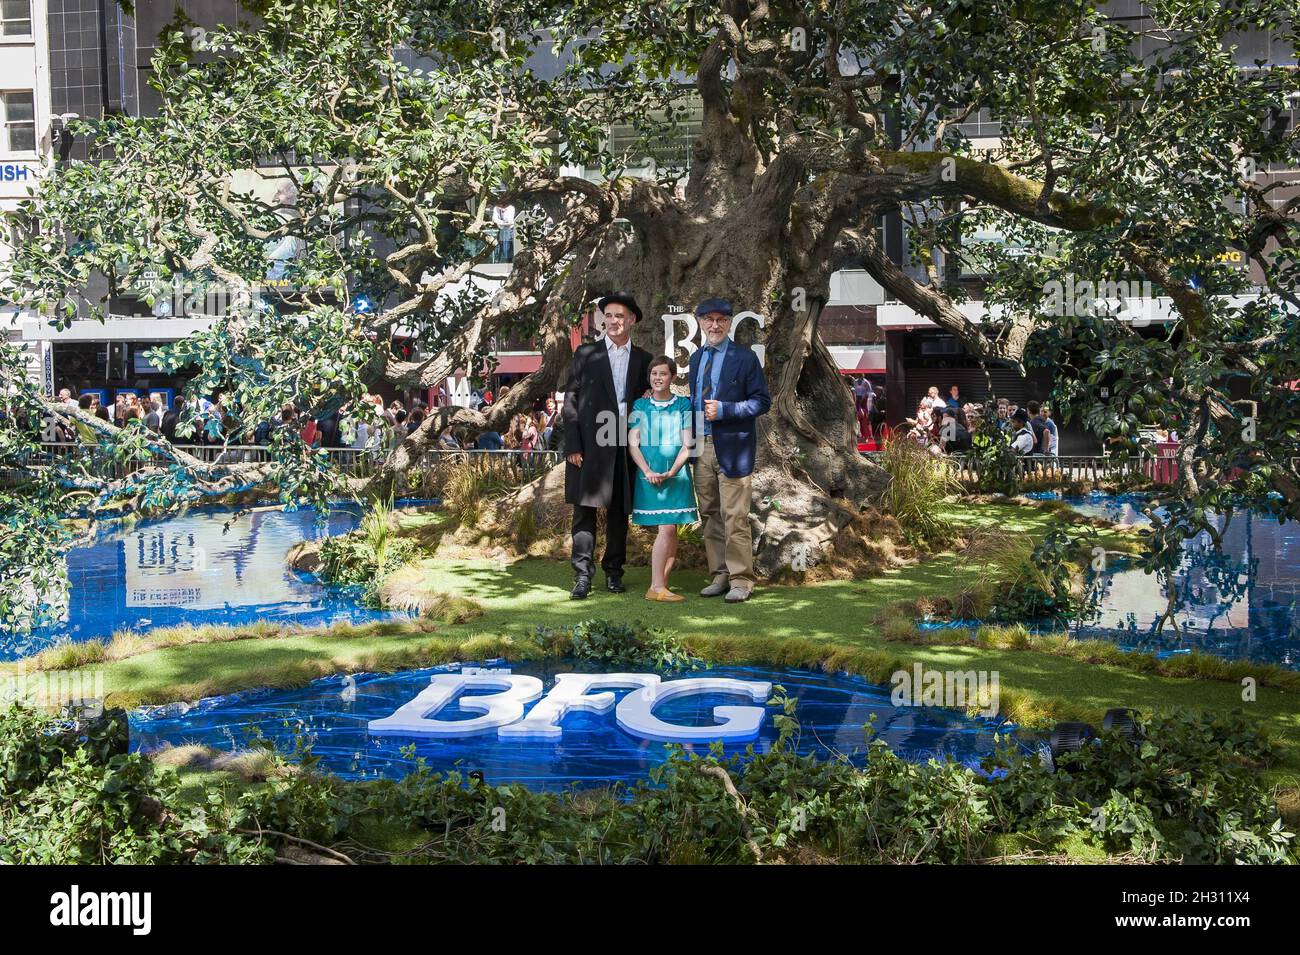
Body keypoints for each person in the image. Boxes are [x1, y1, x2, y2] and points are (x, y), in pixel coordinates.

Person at [563, 292, 652, 600]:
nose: (613, 321)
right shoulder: (585, 354)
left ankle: (614, 572)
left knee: (618, 513)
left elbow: (649, 403)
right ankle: (582, 575)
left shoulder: (644, 359)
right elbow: (570, 400)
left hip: (624, 444)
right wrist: (573, 445)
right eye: (609, 316)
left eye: (620, 316)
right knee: (584, 511)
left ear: (632, 320)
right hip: (588, 444)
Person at [688, 297, 771, 603]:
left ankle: (741, 580)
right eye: (709, 320)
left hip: (734, 448)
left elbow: (762, 401)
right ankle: (720, 574)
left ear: (729, 323)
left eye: (721, 320)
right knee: (710, 515)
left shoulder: (745, 358)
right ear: (700, 323)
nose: (715, 325)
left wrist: (725, 409)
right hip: (702, 448)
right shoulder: (696, 359)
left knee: (735, 516)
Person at [629, 355, 698, 602]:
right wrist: (647, 471)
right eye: (654, 373)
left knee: (672, 529)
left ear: (673, 377)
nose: (658, 378)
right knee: (666, 528)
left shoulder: (683, 405)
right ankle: (656, 587)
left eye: (663, 373)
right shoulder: (640, 405)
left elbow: (687, 444)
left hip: (675, 477)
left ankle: (663, 584)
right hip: (649, 477)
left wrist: (672, 471)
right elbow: (633, 444)